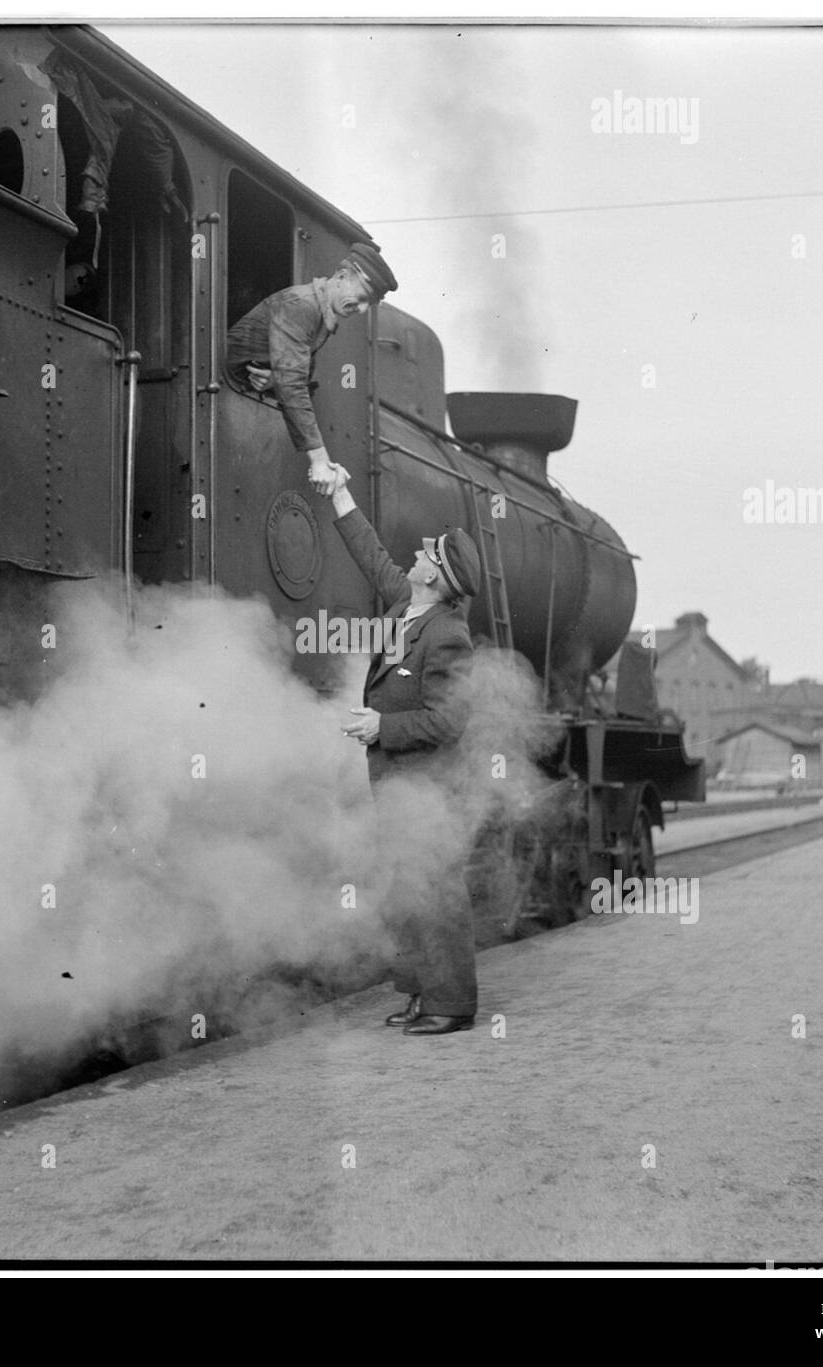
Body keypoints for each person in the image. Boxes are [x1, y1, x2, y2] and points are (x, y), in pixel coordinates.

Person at [325, 467, 483, 1035]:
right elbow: (371, 555)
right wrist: (340, 492)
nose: (416, 553)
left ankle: (452, 1006)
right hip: (396, 783)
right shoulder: (403, 607)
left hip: (429, 788)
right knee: (406, 889)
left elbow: (449, 720)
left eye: (428, 553)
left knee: (437, 892)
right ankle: (421, 996)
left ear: (438, 578)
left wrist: (381, 726)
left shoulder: (447, 635)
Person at [225, 243, 397, 495]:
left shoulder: (320, 316)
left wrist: (276, 380)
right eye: (363, 297)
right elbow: (293, 386)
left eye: (368, 304)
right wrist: (318, 460)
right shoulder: (301, 305)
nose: (361, 309)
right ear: (341, 277)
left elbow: (296, 376)